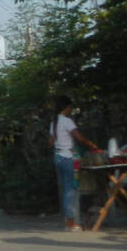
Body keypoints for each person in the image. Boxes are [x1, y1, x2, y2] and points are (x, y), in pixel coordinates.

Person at [51, 94, 100, 231]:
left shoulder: (53, 123)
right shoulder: (67, 121)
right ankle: (71, 222)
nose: (70, 110)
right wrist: (91, 145)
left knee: (65, 189)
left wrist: (60, 142)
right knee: (70, 190)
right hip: (67, 158)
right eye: (70, 108)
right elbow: (78, 137)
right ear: (67, 108)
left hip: (57, 157)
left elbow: (50, 142)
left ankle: (69, 219)